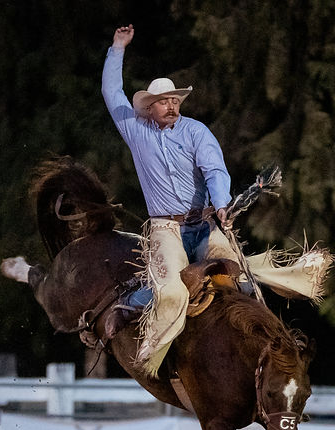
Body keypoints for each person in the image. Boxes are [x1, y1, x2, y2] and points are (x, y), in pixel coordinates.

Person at [101, 24, 246, 375]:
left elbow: (215, 170)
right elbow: (111, 91)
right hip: (166, 228)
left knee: (237, 281)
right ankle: (132, 309)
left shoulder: (197, 131)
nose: (171, 106)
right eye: (165, 101)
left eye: (175, 100)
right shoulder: (135, 130)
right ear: (149, 107)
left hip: (206, 221)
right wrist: (118, 47)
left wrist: (223, 203)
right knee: (172, 289)